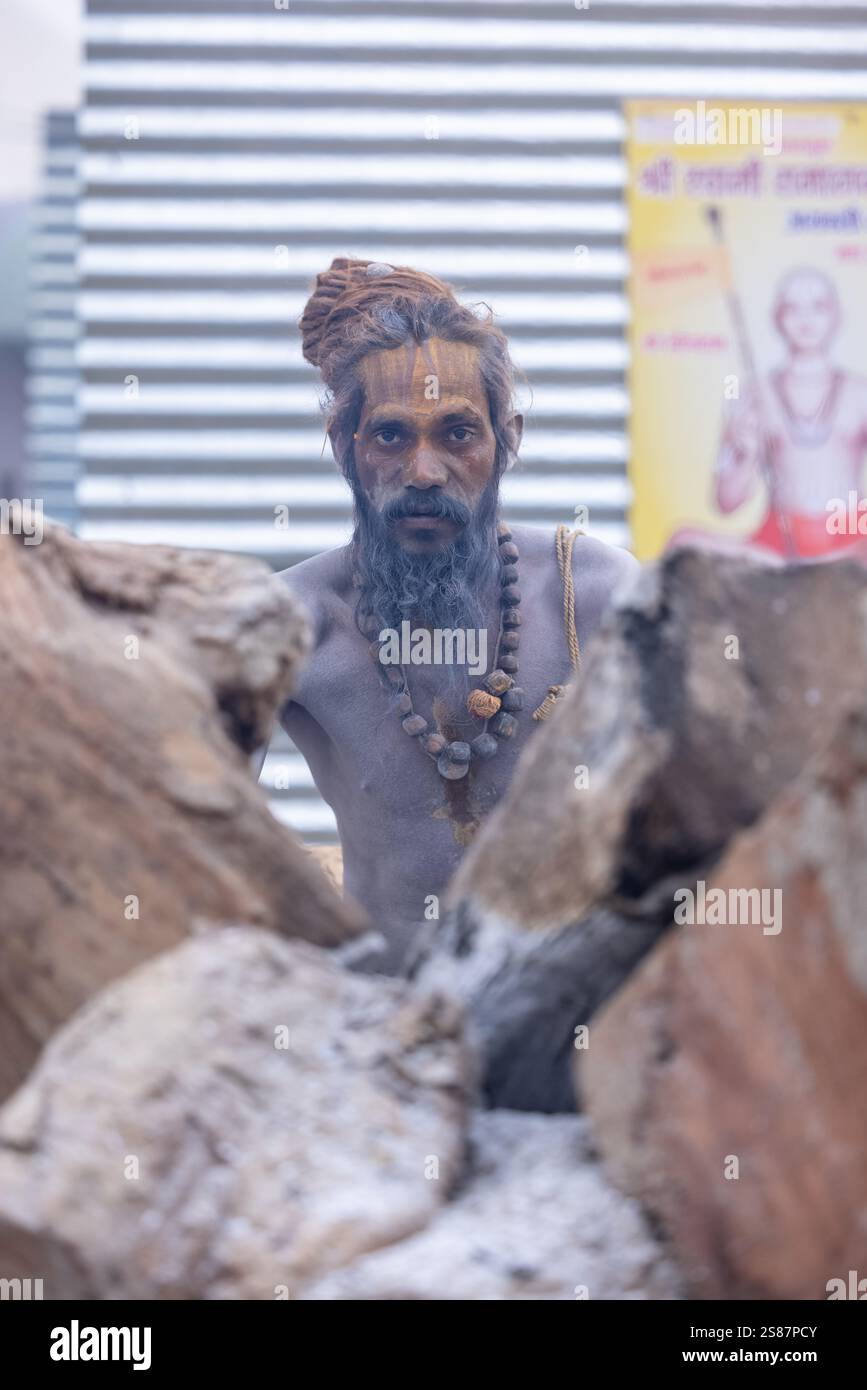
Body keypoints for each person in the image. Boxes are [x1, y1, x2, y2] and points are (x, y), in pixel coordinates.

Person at [276, 257, 637, 972]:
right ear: (346, 448)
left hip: (561, 1029)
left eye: (456, 433)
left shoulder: (593, 594)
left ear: (508, 439)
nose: (423, 472)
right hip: (380, 1034)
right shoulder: (296, 623)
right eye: (389, 436)